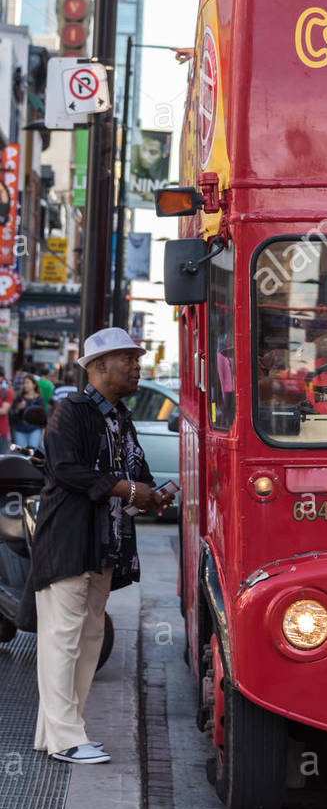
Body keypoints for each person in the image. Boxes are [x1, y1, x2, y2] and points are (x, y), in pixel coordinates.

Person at [30, 328, 173, 766]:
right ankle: (67, 739)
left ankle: (55, 733)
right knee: (64, 639)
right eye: (127, 358)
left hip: (105, 544)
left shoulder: (121, 417)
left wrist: (151, 492)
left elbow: (138, 472)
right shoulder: (69, 410)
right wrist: (129, 490)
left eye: (137, 358)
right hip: (70, 541)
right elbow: (67, 470)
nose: (136, 366)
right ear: (97, 367)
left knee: (88, 638)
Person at [12, 373, 47, 448]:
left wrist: (43, 431)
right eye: (24, 383)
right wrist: (18, 408)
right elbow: (13, 416)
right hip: (20, 430)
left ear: (34, 385)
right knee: (21, 454)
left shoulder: (39, 399)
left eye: (27, 382)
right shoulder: (20, 398)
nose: (25, 385)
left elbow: (43, 417)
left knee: (32, 453)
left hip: (34, 430)